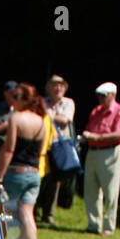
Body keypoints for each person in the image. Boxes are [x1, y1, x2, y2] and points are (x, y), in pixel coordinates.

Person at [0, 83, 49, 239]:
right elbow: (39, 152)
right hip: (33, 174)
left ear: (25, 100)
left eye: (16, 96)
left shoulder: (16, 118)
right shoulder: (42, 121)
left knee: (4, 212)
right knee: (27, 214)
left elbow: (9, 149)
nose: (12, 99)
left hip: (15, 172)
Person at [81, 81, 120, 235]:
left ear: (112, 95)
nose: (100, 99)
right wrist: (88, 136)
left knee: (110, 191)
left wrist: (98, 137)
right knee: (91, 189)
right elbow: (89, 129)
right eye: (99, 96)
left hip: (110, 152)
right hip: (93, 151)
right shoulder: (96, 110)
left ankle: (108, 227)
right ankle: (93, 225)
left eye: (103, 96)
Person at [36, 75, 77, 222]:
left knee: (55, 180)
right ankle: (34, 211)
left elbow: (65, 120)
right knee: (39, 178)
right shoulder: (43, 101)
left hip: (59, 147)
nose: (58, 88)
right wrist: (53, 116)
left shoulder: (68, 103)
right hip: (42, 145)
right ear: (48, 88)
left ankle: (49, 214)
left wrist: (48, 114)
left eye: (61, 86)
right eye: (54, 85)